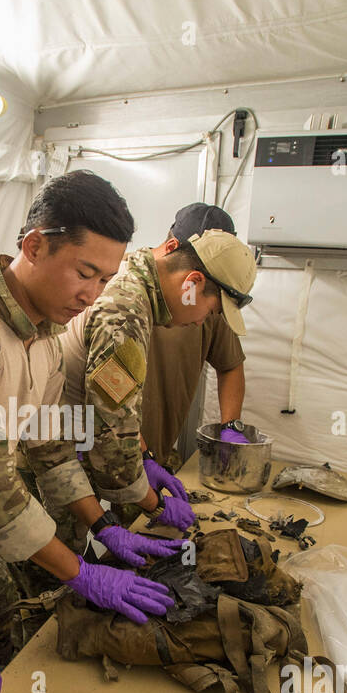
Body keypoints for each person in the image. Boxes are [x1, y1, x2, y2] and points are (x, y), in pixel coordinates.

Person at [0, 171, 178, 663]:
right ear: (34, 247)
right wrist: (80, 572)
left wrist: (102, 522)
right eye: (85, 272)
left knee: (12, 662)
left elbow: (48, 445)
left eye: (106, 279)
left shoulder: (44, 333)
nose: (93, 294)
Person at [55, 222, 258, 545]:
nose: (200, 322)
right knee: (56, 574)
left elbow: (119, 410)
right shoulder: (125, 311)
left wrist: (146, 459)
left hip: (70, 448)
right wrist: (156, 505)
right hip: (53, 458)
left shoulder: (137, 281)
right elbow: (110, 433)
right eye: (210, 311)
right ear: (193, 283)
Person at [139, 204, 252, 468]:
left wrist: (230, 427)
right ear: (173, 247)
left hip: (153, 452)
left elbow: (231, 363)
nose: (201, 318)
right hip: (105, 450)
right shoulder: (118, 291)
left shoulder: (209, 299)